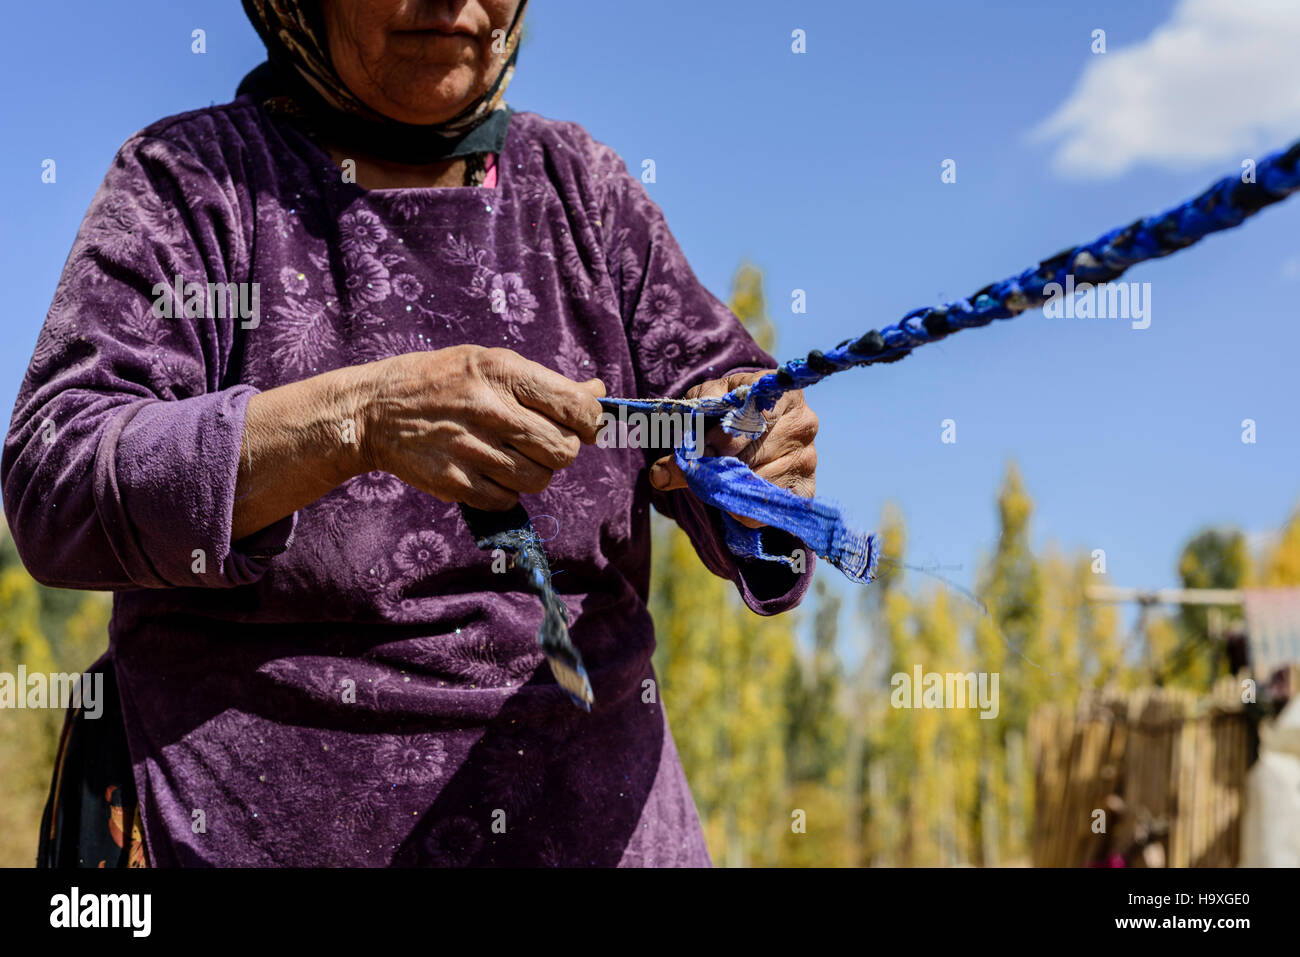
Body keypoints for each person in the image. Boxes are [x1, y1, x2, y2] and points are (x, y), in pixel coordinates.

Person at [2, 0, 818, 867]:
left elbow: (742, 450)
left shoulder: (584, 190)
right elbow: (59, 480)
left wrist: (755, 466)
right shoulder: (193, 184)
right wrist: (358, 419)